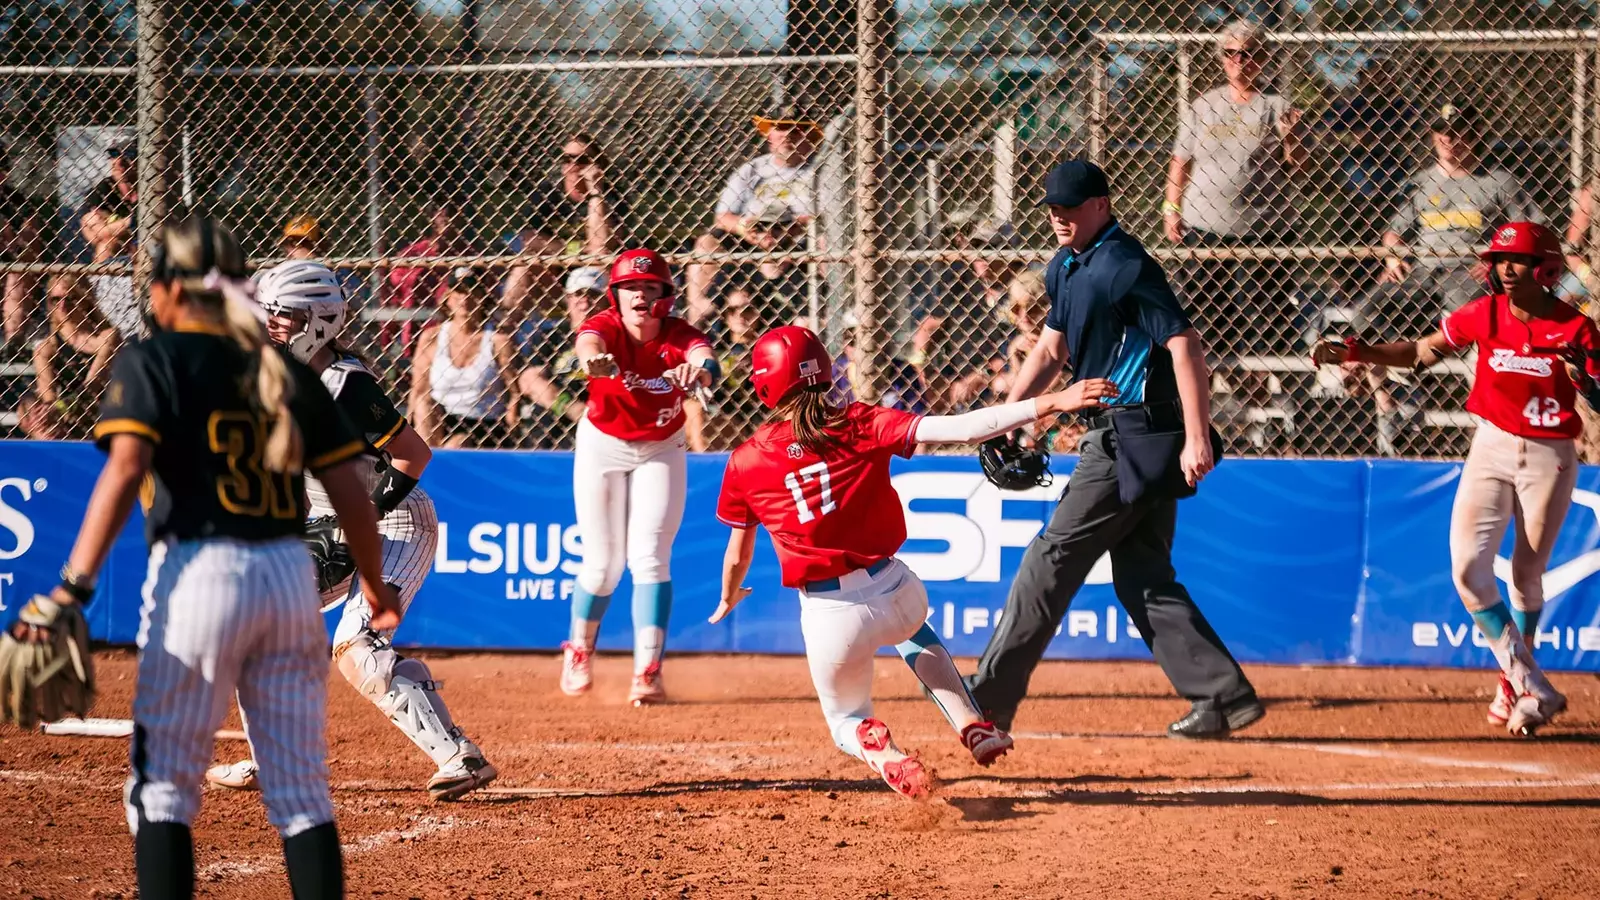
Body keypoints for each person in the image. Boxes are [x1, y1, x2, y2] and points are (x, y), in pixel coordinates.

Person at [64, 214, 399, 898]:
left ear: (167, 290)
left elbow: (125, 471)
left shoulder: (154, 359)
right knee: (302, 794)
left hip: (198, 569)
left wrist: (72, 588)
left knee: (162, 790)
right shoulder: (283, 368)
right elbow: (352, 494)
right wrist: (375, 584)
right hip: (284, 575)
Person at [711, 325, 1118, 798]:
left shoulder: (745, 459)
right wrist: (1052, 402)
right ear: (823, 372)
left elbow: (738, 550)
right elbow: (962, 427)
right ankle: (971, 722)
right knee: (912, 632)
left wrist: (728, 594)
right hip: (897, 589)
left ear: (763, 384)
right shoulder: (858, 421)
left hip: (830, 615)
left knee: (846, 718)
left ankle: (881, 751)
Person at [965, 160, 1262, 738]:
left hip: (1131, 436)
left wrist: (1199, 436)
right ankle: (1222, 696)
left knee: (1048, 561)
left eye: (1070, 207)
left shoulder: (1125, 265)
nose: (1058, 216)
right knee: (1142, 574)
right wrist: (1010, 418)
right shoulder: (1066, 267)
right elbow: (1051, 351)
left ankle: (989, 699)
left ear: (1101, 204)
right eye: (1052, 207)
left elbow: (1184, 345)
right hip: (1128, 436)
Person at [206, 260, 497, 801]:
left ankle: (461, 757)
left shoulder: (344, 382)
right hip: (331, 518)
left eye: (285, 317)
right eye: (270, 315)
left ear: (319, 320)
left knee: (357, 645)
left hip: (396, 519)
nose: (272, 326)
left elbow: (413, 455)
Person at [1313, 221, 1581, 735]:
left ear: (1545, 268)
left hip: (1551, 454)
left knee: (1526, 575)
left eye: (1518, 260)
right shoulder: (1483, 313)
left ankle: (1513, 687)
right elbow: (1419, 353)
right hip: (1492, 444)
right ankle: (1530, 681)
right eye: (1500, 259)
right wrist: (1358, 351)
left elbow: (1596, 396)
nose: (1505, 268)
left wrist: (1584, 379)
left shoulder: (1577, 329)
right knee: (1467, 570)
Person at [562, 248, 717, 705]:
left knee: (650, 558)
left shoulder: (678, 335)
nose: (640, 295)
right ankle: (579, 651)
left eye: (651, 287)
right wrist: (593, 361)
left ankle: (647, 670)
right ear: (616, 294)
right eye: (630, 287)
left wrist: (701, 371)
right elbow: (587, 342)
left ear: (666, 296)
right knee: (603, 564)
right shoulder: (605, 326)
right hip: (603, 445)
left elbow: (707, 358)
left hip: (661, 446)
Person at [1163, 21, 1305, 353]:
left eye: (1248, 54)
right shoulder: (1203, 106)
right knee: (1206, 314)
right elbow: (1180, 163)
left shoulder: (1276, 106)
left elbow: (1300, 170)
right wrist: (1171, 209)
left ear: (1263, 58)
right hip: (1205, 226)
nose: (1240, 61)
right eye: (1231, 53)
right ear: (1222, 58)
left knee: (1271, 315)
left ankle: (1278, 389)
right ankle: (1216, 385)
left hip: (1264, 227)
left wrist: (1292, 139)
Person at [685, 108, 822, 324]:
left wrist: (791, 228)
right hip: (751, 237)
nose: (788, 134)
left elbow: (826, 215)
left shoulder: (819, 170)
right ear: (769, 135)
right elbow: (722, 216)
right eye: (781, 128)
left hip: (800, 238)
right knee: (706, 243)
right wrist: (746, 230)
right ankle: (696, 319)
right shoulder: (751, 170)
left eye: (797, 129)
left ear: (808, 137)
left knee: (823, 240)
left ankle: (828, 315)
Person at [500, 133, 631, 320]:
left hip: (596, 274)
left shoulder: (613, 197)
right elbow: (529, 239)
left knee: (601, 261)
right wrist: (575, 249)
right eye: (566, 159)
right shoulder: (548, 194)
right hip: (556, 274)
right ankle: (504, 328)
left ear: (598, 165)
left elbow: (603, 246)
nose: (572, 165)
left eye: (582, 160)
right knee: (523, 267)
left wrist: (595, 192)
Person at [408, 266, 521, 448]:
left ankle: (431, 469)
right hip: (443, 418)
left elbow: (515, 391)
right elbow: (418, 390)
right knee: (423, 404)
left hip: (482, 422)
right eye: (458, 291)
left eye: (472, 291)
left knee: (457, 444)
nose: (465, 297)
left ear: (482, 298)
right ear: (448, 298)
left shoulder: (498, 340)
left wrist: (512, 416)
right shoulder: (431, 337)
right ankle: (425, 465)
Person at [30, 274, 118, 434]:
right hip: (66, 417)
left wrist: (60, 408)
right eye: (55, 300)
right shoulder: (46, 348)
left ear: (85, 300)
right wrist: (52, 412)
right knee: (33, 414)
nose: (62, 306)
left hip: (104, 410)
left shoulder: (107, 337)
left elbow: (93, 386)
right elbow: (48, 398)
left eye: (70, 298)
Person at [78, 138, 144, 341]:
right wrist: (131, 221)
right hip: (116, 252)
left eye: (128, 155)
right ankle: (104, 307)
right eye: (114, 155)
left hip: (144, 251)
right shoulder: (105, 188)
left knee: (135, 248)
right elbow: (93, 232)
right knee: (107, 244)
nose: (119, 161)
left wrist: (111, 226)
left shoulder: (153, 187)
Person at [384, 199, 465, 354]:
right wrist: (387, 340)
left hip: (456, 337)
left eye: (453, 212)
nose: (448, 218)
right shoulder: (411, 256)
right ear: (431, 217)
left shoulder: (468, 254)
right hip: (416, 336)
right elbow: (393, 300)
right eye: (441, 213)